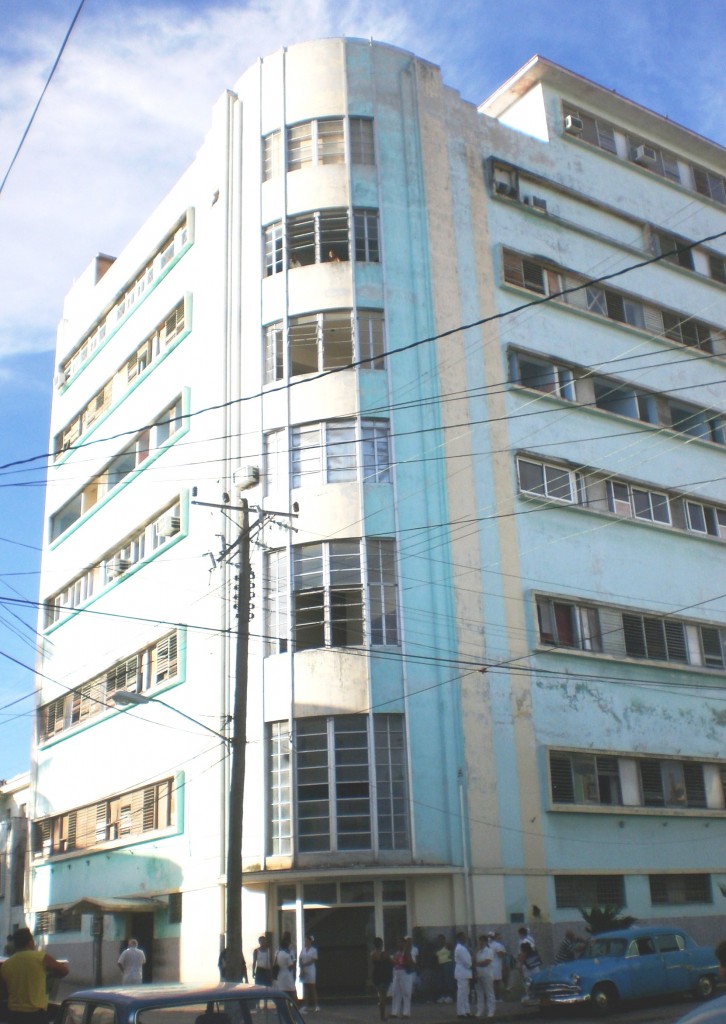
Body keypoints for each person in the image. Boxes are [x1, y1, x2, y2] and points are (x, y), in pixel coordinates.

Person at [0, 927, 68, 1024]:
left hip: (14, 1015)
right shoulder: (40, 957)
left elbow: (3, 989)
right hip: (35, 1015)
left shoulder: (7, 964)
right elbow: (64, 971)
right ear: (29, 942)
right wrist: (49, 974)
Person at [390, 936, 416, 1018]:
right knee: (395, 993)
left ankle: (406, 1013)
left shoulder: (407, 952)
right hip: (397, 973)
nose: (399, 944)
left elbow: (411, 963)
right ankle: (395, 1012)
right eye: (398, 942)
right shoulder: (397, 953)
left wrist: (401, 963)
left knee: (406, 993)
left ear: (404, 943)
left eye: (401, 942)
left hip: (405, 973)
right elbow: (394, 962)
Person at [370, 938, 393, 1022]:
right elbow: (392, 962)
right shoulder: (385, 954)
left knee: (381, 995)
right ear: (381, 944)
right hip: (385, 976)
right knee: (383, 996)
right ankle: (382, 1016)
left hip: (376, 976)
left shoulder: (373, 954)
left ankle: (381, 1009)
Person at [474, 935, 495, 1019]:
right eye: (480, 941)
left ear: (486, 942)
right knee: (479, 994)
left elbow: (486, 962)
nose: (481, 943)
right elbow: (475, 961)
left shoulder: (489, 951)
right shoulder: (478, 952)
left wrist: (477, 964)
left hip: (487, 975)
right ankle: (480, 1010)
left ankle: (491, 1011)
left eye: (483, 941)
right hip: (479, 975)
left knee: (489, 993)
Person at [273, 935, 298, 1004]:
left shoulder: (278, 953)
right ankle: (296, 1007)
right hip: (287, 974)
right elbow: (291, 966)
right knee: (293, 992)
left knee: (282, 991)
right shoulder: (287, 955)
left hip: (280, 975)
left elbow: (274, 963)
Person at [453, 932, 473, 1019]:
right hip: (462, 972)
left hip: (464, 972)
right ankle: (461, 1012)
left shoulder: (463, 948)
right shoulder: (460, 948)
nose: (464, 939)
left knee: (466, 992)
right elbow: (466, 962)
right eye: (462, 937)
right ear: (458, 938)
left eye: (464, 937)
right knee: (462, 992)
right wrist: (471, 965)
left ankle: (466, 1011)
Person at [298, 934, 319, 1012]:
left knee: (312, 988)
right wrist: (301, 966)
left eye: (306, 940)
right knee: (305, 987)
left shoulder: (313, 950)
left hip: (311, 969)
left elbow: (313, 960)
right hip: (304, 969)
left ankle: (316, 1005)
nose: (305, 942)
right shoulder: (303, 949)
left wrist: (305, 964)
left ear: (310, 941)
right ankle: (305, 1005)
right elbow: (300, 958)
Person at [486, 932, 506, 1000]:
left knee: (493, 982)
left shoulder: (487, 945)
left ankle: (493, 997)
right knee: (497, 982)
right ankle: (498, 998)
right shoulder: (498, 945)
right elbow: (501, 955)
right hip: (496, 966)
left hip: (491, 966)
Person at [434, 935, 454, 1004]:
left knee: (448, 980)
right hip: (441, 965)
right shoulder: (438, 947)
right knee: (441, 981)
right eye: (439, 939)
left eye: (441, 939)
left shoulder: (448, 946)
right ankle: (443, 996)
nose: (440, 941)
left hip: (447, 965)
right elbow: (436, 954)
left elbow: (450, 954)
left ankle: (450, 996)